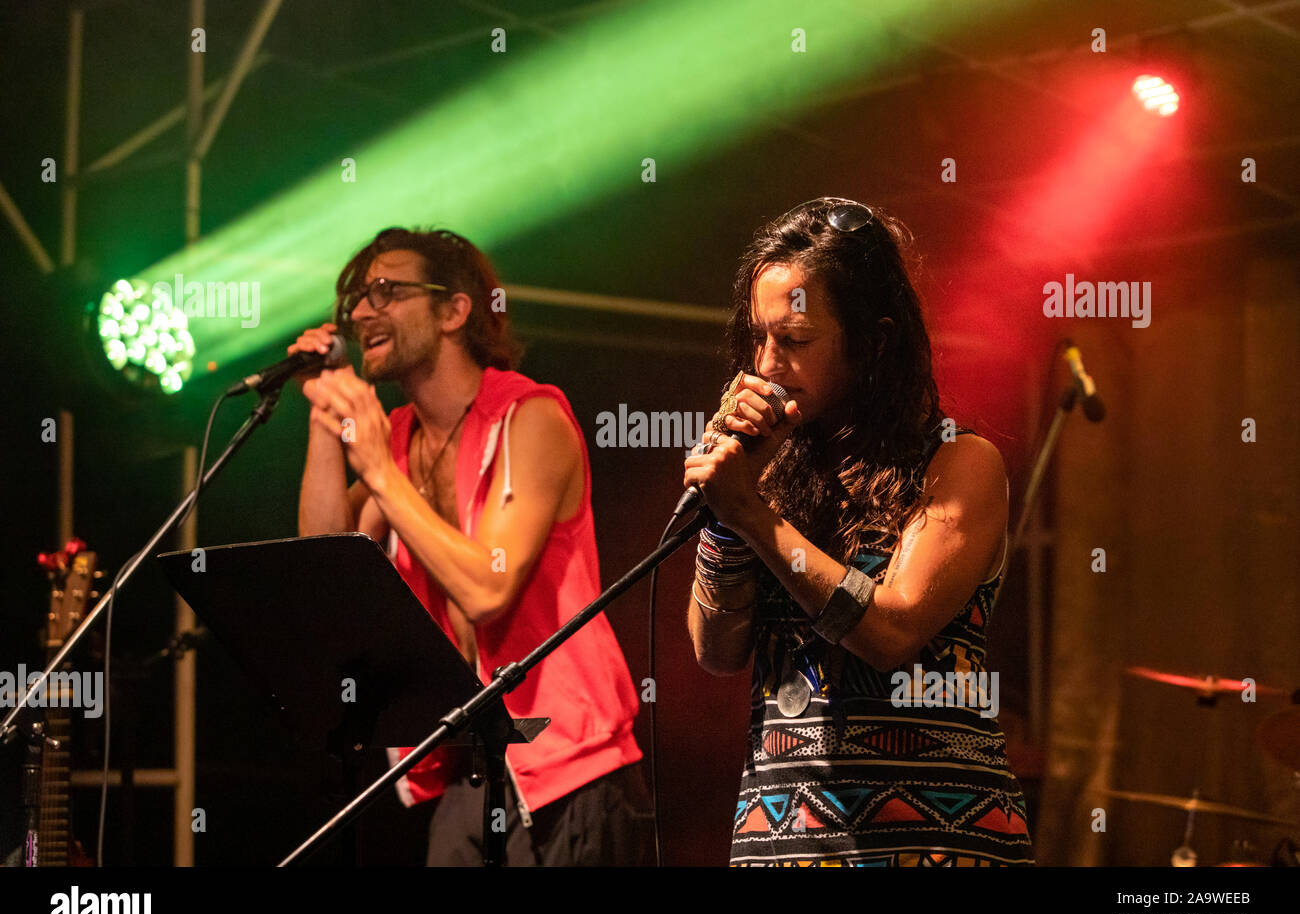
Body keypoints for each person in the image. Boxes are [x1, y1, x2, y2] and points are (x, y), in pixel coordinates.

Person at [683, 198, 1034, 866]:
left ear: (873, 342)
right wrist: (729, 518)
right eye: (757, 338)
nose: (766, 363)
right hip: (781, 842)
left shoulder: (960, 463)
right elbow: (715, 650)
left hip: (927, 845)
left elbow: (892, 632)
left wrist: (754, 516)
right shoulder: (775, 477)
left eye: (794, 341)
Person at [293, 226, 645, 865]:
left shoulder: (532, 418)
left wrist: (376, 469)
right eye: (357, 302)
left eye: (385, 291)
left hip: (568, 764)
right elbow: (323, 577)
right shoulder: (396, 441)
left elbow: (488, 588)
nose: (363, 312)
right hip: (464, 769)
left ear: (455, 310)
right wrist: (326, 418)